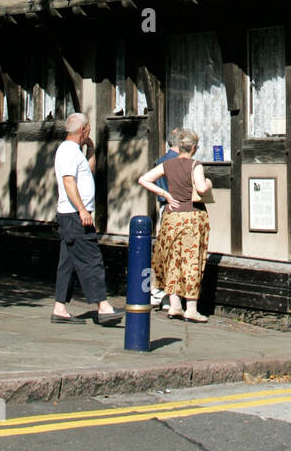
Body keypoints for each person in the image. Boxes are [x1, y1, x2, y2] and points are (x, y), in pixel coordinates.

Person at [52, 112, 124, 325]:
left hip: (72, 214)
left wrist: (90, 149)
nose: (90, 131)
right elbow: (68, 182)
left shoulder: (74, 151)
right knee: (92, 259)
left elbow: (88, 171)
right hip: (75, 215)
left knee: (68, 262)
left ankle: (59, 308)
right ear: (82, 130)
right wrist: (83, 210)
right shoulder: (67, 151)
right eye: (89, 129)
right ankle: (103, 306)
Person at [139, 128, 211, 322]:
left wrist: (166, 195)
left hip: (172, 217)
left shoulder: (168, 164)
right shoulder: (195, 165)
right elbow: (202, 188)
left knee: (172, 259)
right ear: (194, 147)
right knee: (192, 261)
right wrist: (209, 184)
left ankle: (174, 305)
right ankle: (191, 308)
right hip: (192, 217)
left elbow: (143, 179)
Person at [146, 127, 180, 307]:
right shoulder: (181, 162)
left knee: (162, 251)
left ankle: (158, 292)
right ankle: (168, 295)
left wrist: (163, 195)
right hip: (178, 209)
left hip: (163, 208)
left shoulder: (161, 161)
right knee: (175, 253)